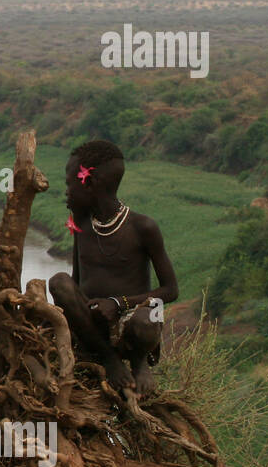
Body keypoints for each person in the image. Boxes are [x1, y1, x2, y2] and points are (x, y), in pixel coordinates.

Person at [48, 139, 178, 396]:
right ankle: (110, 360)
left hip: (131, 320)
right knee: (59, 282)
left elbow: (171, 290)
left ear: (91, 183)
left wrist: (118, 303)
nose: (66, 192)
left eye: (69, 184)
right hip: (93, 320)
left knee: (149, 316)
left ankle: (140, 363)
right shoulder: (81, 223)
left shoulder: (143, 227)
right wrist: (67, 313)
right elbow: (76, 280)